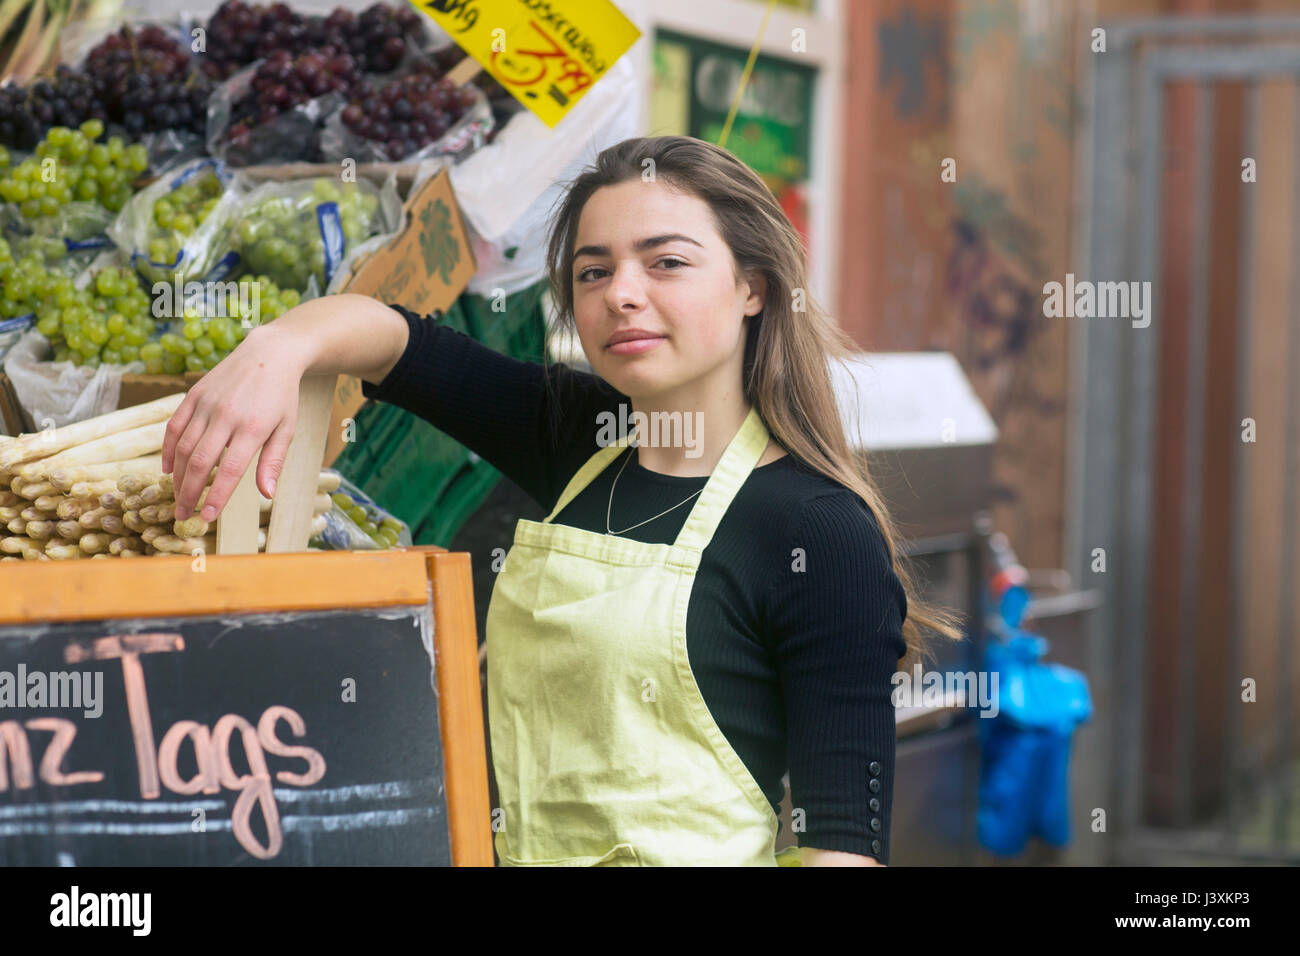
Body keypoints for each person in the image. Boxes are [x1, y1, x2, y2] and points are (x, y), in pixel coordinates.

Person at [161, 135, 964, 866]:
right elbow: (399, 341)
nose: (621, 294)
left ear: (754, 288)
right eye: (593, 271)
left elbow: (845, 851)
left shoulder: (817, 530)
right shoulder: (580, 436)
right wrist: (280, 346)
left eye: (666, 263)